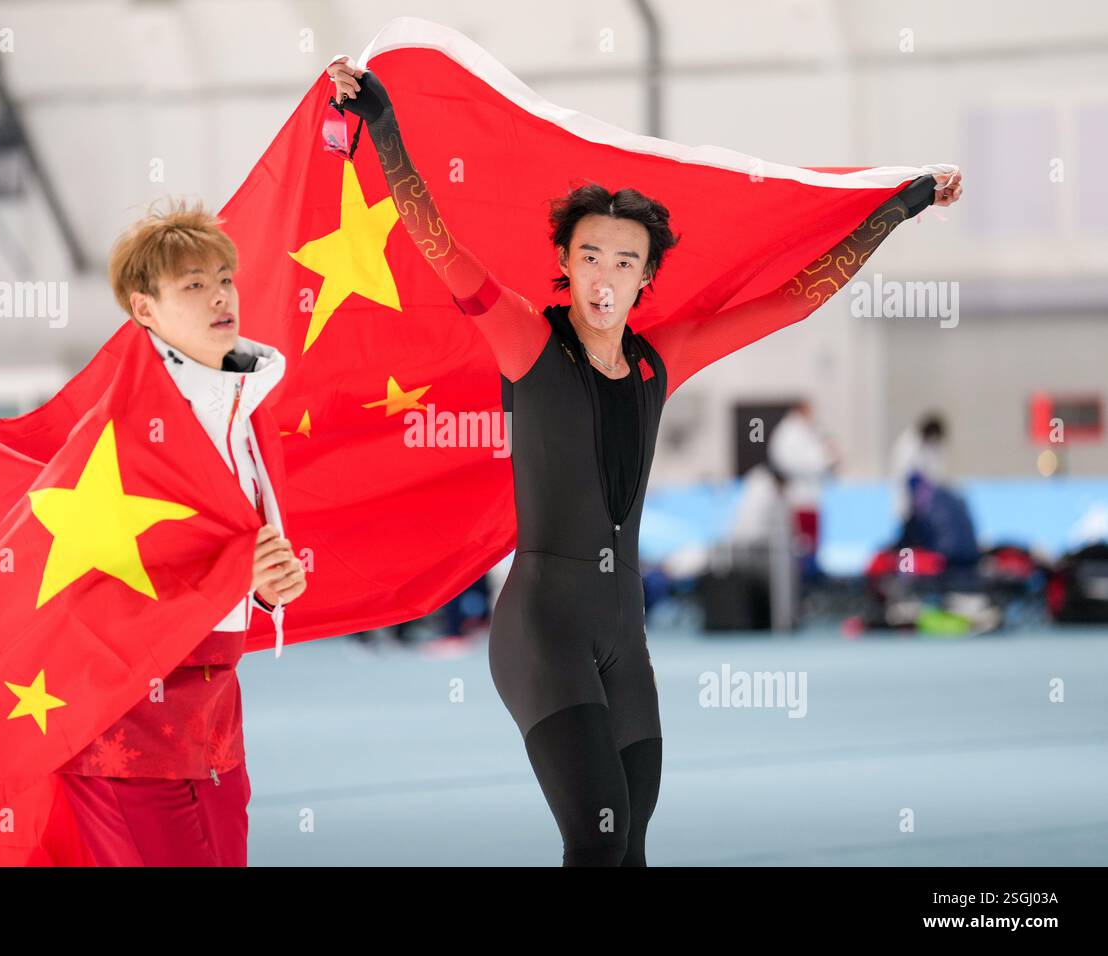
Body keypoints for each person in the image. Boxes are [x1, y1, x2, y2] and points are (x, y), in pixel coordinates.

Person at [328, 55, 961, 865]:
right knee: (595, 840)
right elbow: (439, 246)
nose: (604, 276)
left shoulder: (666, 359)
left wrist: (896, 208)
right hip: (542, 631)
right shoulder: (530, 345)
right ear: (565, 261)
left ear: (646, 279)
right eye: (590, 256)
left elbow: (801, 295)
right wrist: (384, 126)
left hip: (623, 633)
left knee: (629, 848)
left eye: (625, 262)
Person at [57, 200, 308, 866]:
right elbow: (95, 581)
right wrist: (236, 576)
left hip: (216, 715)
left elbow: (228, 558)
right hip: (135, 724)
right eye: (192, 285)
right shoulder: (123, 429)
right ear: (145, 310)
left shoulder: (249, 412)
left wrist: (268, 592)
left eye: (223, 277)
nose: (220, 295)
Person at [767, 400, 839, 579]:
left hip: (810, 495)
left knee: (812, 539)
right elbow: (793, 461)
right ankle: (803, 573)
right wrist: (824, 461)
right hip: (799, 496)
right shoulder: (789, 433)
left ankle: (811, 568)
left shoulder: (808, 431)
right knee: (802, 541)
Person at [890, 412, 948, 523]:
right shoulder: (908, 444)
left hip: (927, 507)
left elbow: (935, 476)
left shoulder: (934, 447)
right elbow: (905, 474)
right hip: (908, 504)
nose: (934, 442)